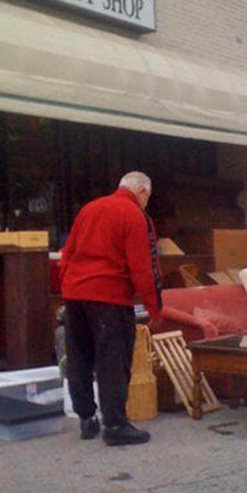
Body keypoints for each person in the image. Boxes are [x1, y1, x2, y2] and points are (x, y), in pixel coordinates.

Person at [59, 172, 163, 446]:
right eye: (147, 198)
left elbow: (66, 254)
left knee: (79, 358)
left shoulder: (88, 209)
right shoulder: (134, 215)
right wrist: (155, 309)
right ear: (141, 191)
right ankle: (116, 425)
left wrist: (70, 286)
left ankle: (87, 420)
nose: (146, 203)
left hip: (75, 294)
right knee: (112, 361)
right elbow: (145, 267)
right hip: (109, 297)